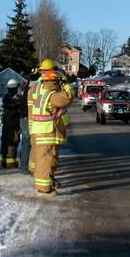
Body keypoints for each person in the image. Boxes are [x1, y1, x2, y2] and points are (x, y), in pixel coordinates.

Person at [29, 59, 72, 195]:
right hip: (48, 131)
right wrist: (66, 86)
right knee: (46, 159)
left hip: (38, 129)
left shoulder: (36, 88)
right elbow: (68, 97)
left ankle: (46, 180)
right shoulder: (52, 94)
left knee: (44, 158)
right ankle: (44, 187)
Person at [0, 78, 24, 169]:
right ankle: (11, 162)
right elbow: (20, 111)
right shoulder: (17, 99)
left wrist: (3, 119)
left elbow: (2, 111)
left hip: (6, 124)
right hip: (14, 125)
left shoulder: (5, 97)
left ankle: (3, 160)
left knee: (5, 141)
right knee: (12, 141)